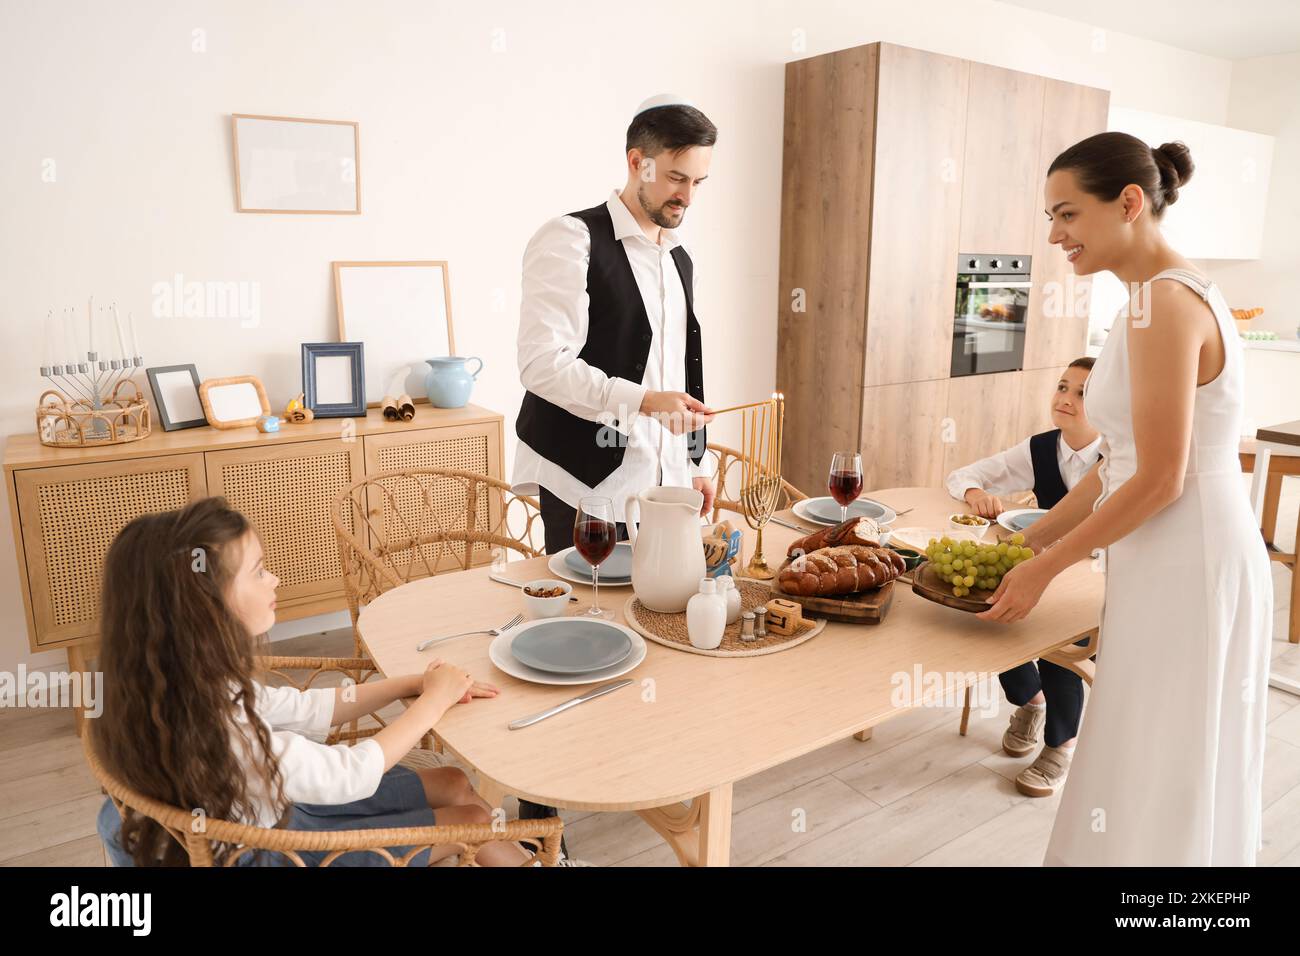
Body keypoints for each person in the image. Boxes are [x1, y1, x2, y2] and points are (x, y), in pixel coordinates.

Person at [978, 133, 1273, 866]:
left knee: (1165, 750)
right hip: (1170, 553)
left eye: (1068, 214)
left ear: (1130, 203)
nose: (1054, 236)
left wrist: (1044, 569)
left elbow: (1161, 477)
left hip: (1190, 558)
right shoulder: (1145, 304)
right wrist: (1030, 541)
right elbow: (1119, 462)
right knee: (1146, 744)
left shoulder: (1167, 304)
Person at [93, 496, 540, 867]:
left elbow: (306, 710)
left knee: (455, 783)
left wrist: (415, 684)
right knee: (477, 821)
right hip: (280, 854)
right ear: (203, 605)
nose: (276, 580)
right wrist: (434, 703)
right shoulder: (217, 729)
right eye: (259, 570)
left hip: (268, 818)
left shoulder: (174, 682)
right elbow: (349, 775)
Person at [511, 95, 719, 835]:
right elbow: (542, 365)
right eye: (676, 179)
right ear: (637, 162)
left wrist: (693, 460)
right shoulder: (568, 239)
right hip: (581, 471)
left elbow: (682, 370)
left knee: (650, 623)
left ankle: (626, 764)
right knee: (571, 638)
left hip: (656, 476)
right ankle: (540, 818)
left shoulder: (678, 258)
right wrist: (638, 399)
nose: (686, 197)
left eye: (697, 183)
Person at [944, 357, 1100, 797]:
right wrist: (977, 492)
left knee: (1057, 640)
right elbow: (963, 475)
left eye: (1082, 393)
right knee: (988, 608)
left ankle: (1060, 743)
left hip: (1095, 574)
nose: (1065, 399)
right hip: (1039, 562)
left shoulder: (1119, 457)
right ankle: (1031, 701)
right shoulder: (1041, 448)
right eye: (1063, 386)